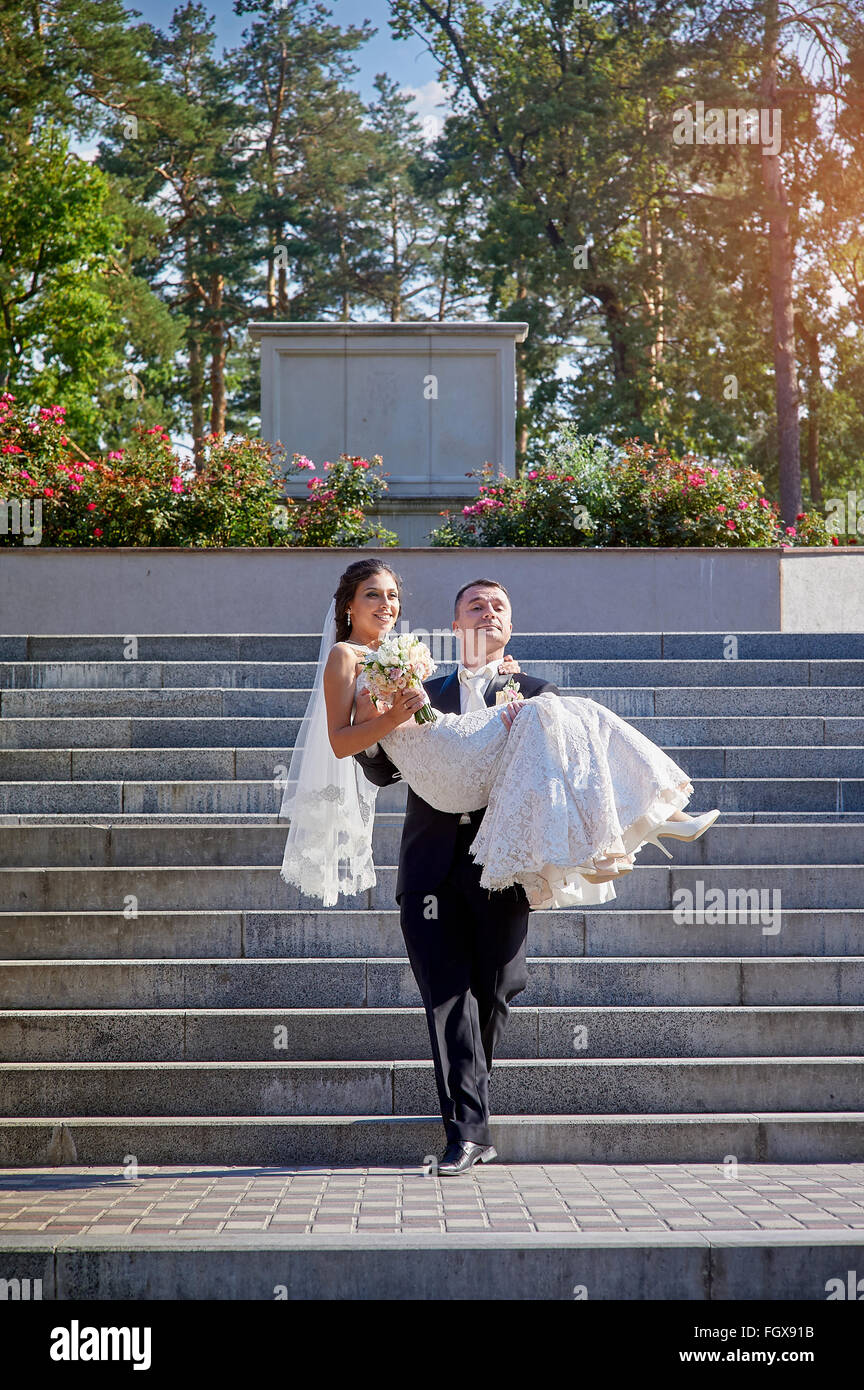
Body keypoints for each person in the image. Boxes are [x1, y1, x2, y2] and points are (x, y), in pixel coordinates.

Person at [280, 559, 719, 1176]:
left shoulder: (539, 694)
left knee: (495, 988)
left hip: (503, 865)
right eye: (475, 607)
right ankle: (466, 1131)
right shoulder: (416, 686)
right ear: (453, 623)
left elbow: (572, 777)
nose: (488, 614)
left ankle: (471, 1113)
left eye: (498, 607)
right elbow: (380, 769)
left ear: (511, 626)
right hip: (431, 863)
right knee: (445, 996)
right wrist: (387, 726)